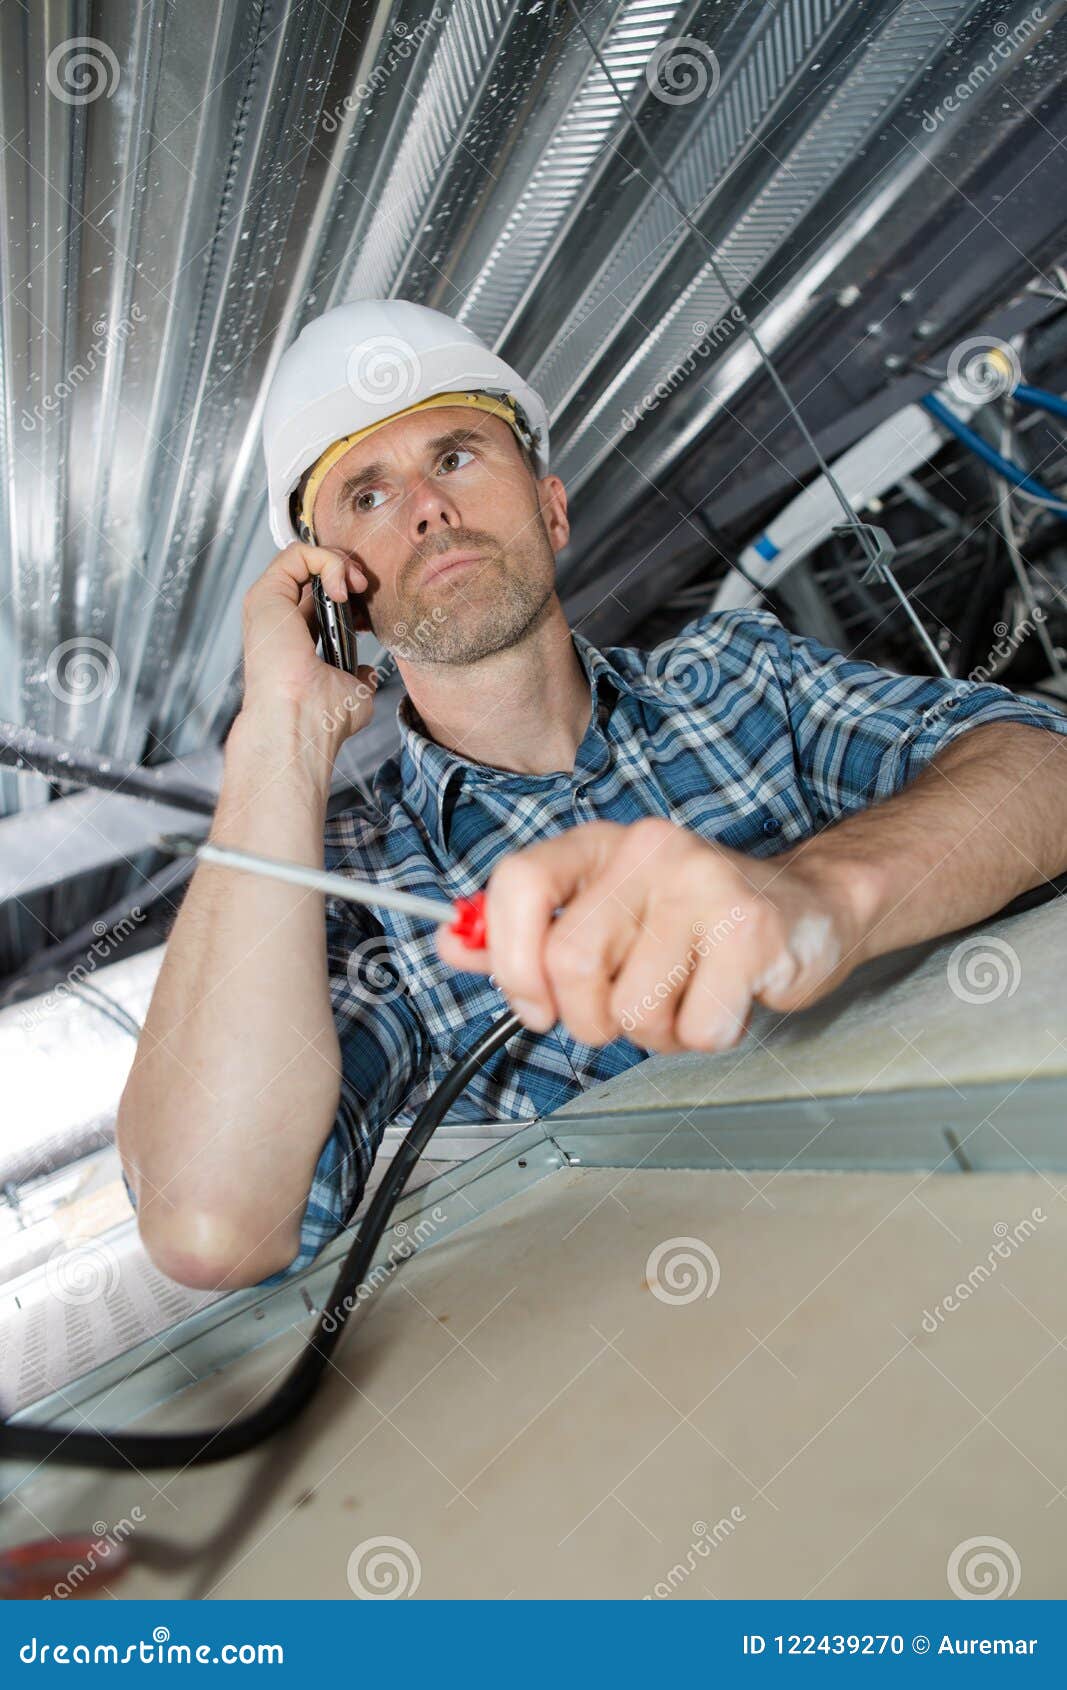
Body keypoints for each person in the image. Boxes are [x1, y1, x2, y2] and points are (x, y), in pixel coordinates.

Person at [116, 300, 1067, 1292]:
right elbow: (212, 1222)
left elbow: (1039, 768)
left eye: (454, 457)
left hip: (957, 1221)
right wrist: (277, 737)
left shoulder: (736, 675)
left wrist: (816, 895)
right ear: (336, 603)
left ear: (551, 510)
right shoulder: (350, 889)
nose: (427, 508)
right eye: (365, 495)